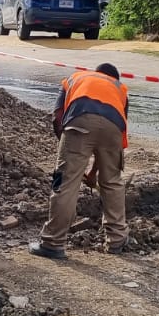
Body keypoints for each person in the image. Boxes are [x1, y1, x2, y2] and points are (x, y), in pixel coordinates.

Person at [30, 61, 129, 260]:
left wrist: (66, 149)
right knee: (112, 182)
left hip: (79, 120)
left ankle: (53, 243)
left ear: (96, 72)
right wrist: (94, 175)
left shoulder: (75, 78)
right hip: (114, 128)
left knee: (65, 183)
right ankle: (117, 240)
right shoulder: (121, 89)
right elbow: (116, 132)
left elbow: (57, 117)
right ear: (114, 78)